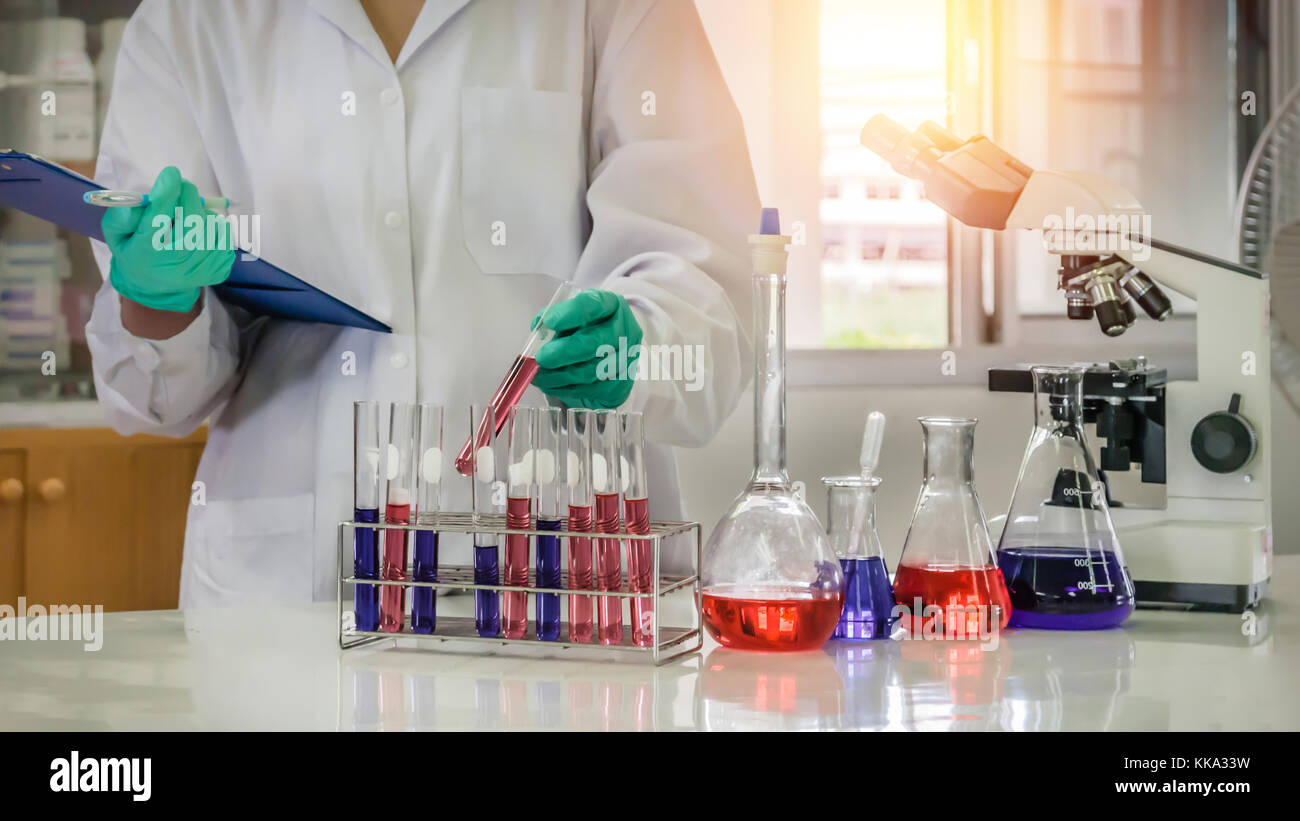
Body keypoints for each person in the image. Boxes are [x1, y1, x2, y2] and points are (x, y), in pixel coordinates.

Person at [87, 0, 759, 606]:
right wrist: (158, 301)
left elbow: (702, 273)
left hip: (569, 588)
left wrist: (635, 343)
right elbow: (156, 397)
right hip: (288, 599)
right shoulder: (191, 21)